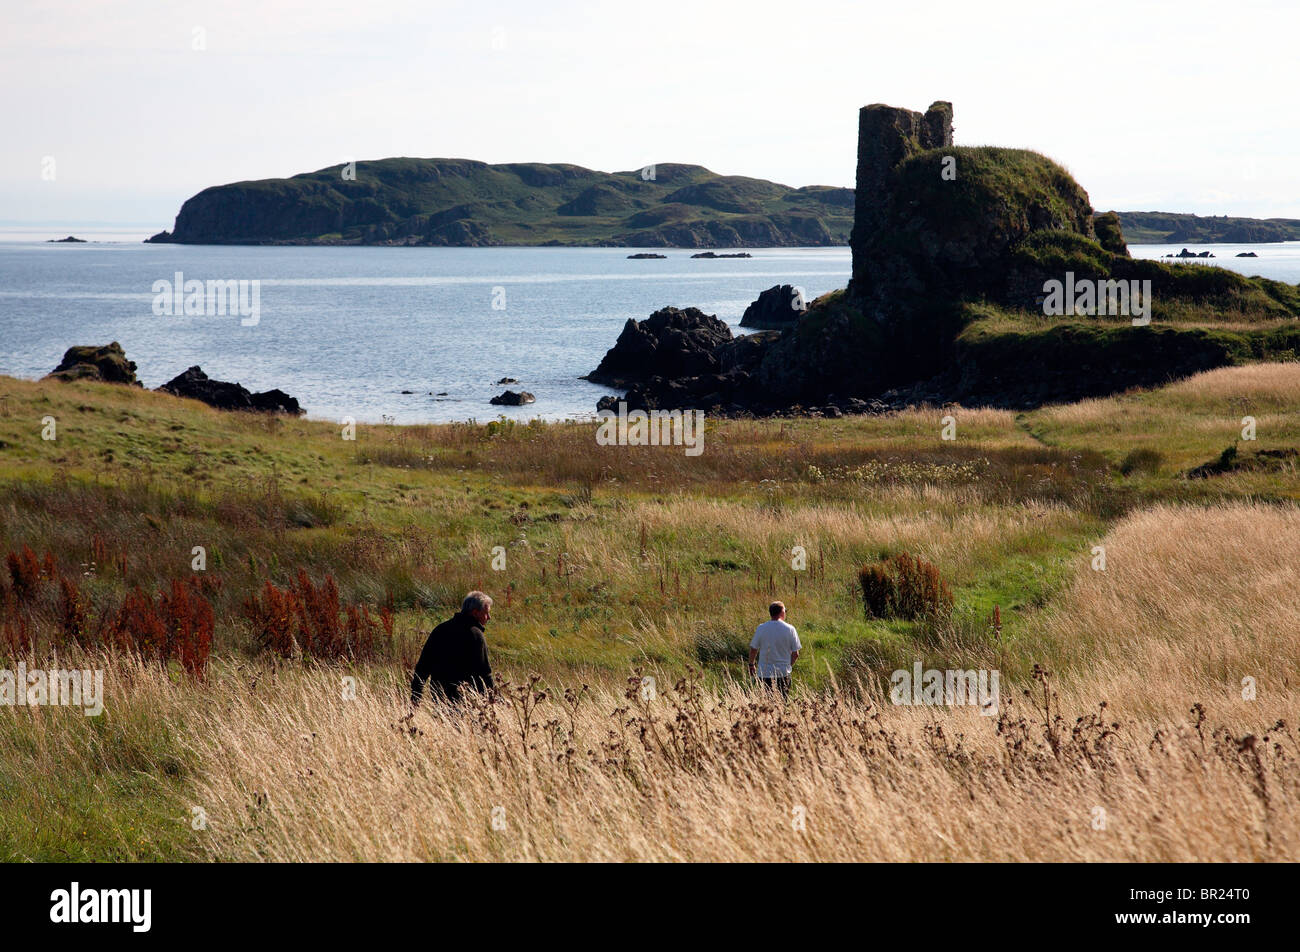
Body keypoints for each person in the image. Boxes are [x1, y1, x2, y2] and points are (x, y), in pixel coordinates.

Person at [410, 591, 495, 706]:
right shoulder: (475, 635)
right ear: (475, 612)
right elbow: (484, 672)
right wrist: (495, 699)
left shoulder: (441, 629)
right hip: (467, 699)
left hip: (439, 696)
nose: (489, 617)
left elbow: (423, 666)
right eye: (486, 613)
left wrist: (416, 695)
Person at [748, 601, 801, 699]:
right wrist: (788, 665)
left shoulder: (761, 628)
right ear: (782, 612)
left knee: (765, 706)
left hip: (764, 673)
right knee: (781, 704)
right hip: (783, 673)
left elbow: (753, 648)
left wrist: (751, 664)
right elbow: (796, 654)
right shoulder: (790, 629)